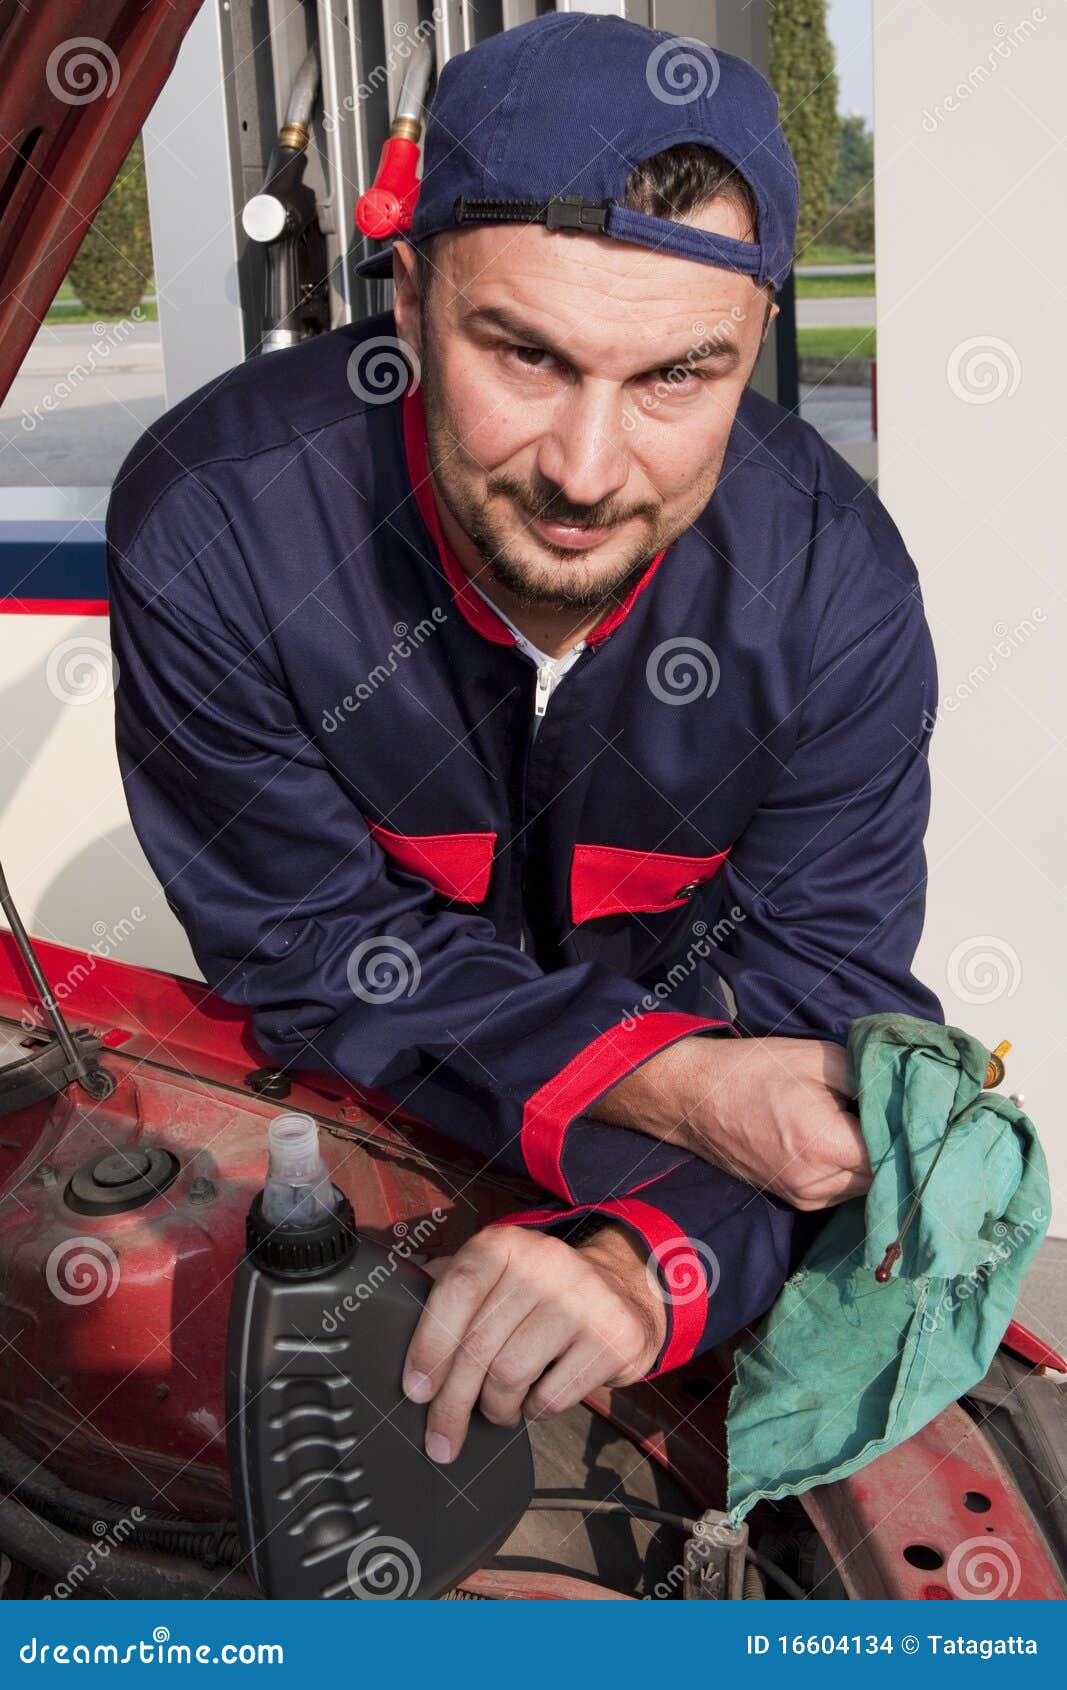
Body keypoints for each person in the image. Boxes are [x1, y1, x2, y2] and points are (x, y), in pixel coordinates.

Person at [106, 12, 943, 1468]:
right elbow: (308, 945)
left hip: (681, 1188)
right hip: (367, 1150)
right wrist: (673, 1079)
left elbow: (816, 1018)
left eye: (680, 376)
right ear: (414, 298)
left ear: (756, 342)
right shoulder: (223, 528)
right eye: (526, 354)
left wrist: (649, 1265)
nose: (585, 468)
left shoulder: (837, 595)